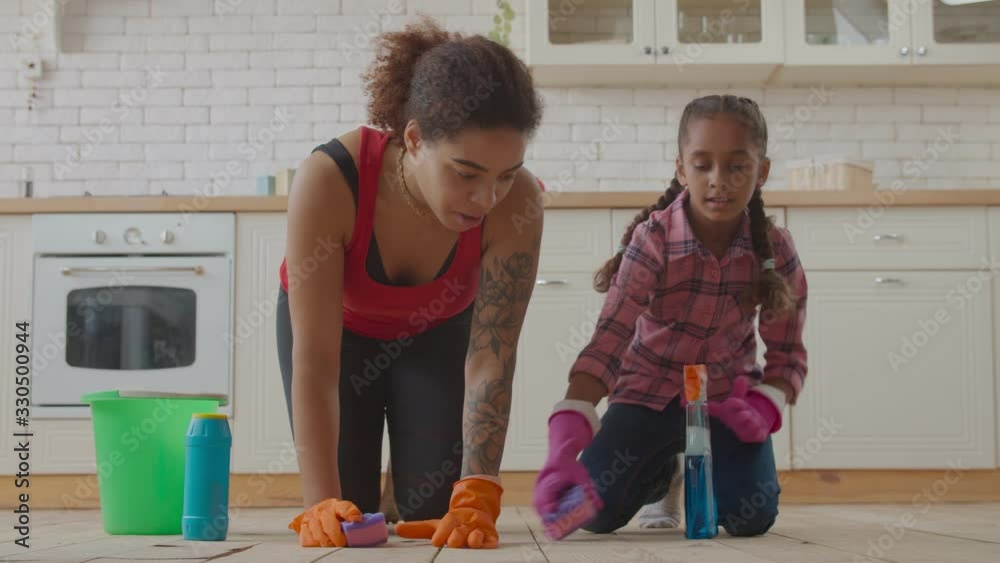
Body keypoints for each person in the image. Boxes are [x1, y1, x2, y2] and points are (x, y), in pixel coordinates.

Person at [276, 16, 545, 549]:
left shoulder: (519, 203)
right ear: (416, 139)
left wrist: (479, 489)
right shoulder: (331, 179)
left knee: (433, 510)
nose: (487, 198)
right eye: (466, 174)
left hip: (438, 333)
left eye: (506, 173)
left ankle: (410, 484)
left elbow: (492, 357)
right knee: (349, 512)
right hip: (341, 340)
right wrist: (320, 499)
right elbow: (316, 360)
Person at [533, 94, 808, 537]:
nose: (719, 180)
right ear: (681, 168)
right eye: (703, 165)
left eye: (737, 166)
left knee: (749, 517)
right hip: (646, 394)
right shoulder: (653, 239)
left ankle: (704, 461)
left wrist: (763, 405)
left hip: (724, 400)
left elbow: (788, 351)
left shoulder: (774, 249)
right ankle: (664, 474)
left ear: (762, 171)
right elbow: (611, 337)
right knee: (597, 516)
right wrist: (568, 428)